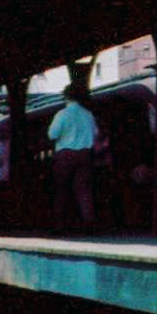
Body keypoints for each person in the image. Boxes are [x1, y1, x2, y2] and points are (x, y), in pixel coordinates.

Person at [47, 83, 98, 234]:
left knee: (62, 190)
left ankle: (60, 225)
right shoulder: (88, 114)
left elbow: (52, 135)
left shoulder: (62, 114)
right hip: (85, 155)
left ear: (66, 96)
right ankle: (89, 224)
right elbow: (96, 133)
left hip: (65, 155)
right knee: (84, 191)